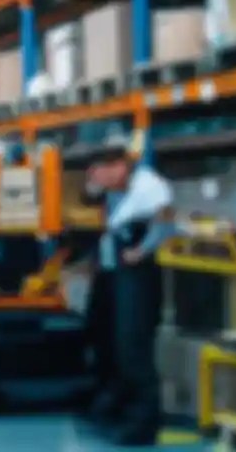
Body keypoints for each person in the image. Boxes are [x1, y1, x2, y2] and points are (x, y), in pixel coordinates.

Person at [82, 138, 176, 447]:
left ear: (120, 166)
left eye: (103, 170)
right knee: (112, 341)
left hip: (138, 272)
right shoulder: (114, 191)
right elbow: (90, 200)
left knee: (134, 345)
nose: (98, 177)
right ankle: (116, 409)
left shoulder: (148, 186)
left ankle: (143, 423)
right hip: (115, 272)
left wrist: (143, 249)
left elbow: (165, 219)